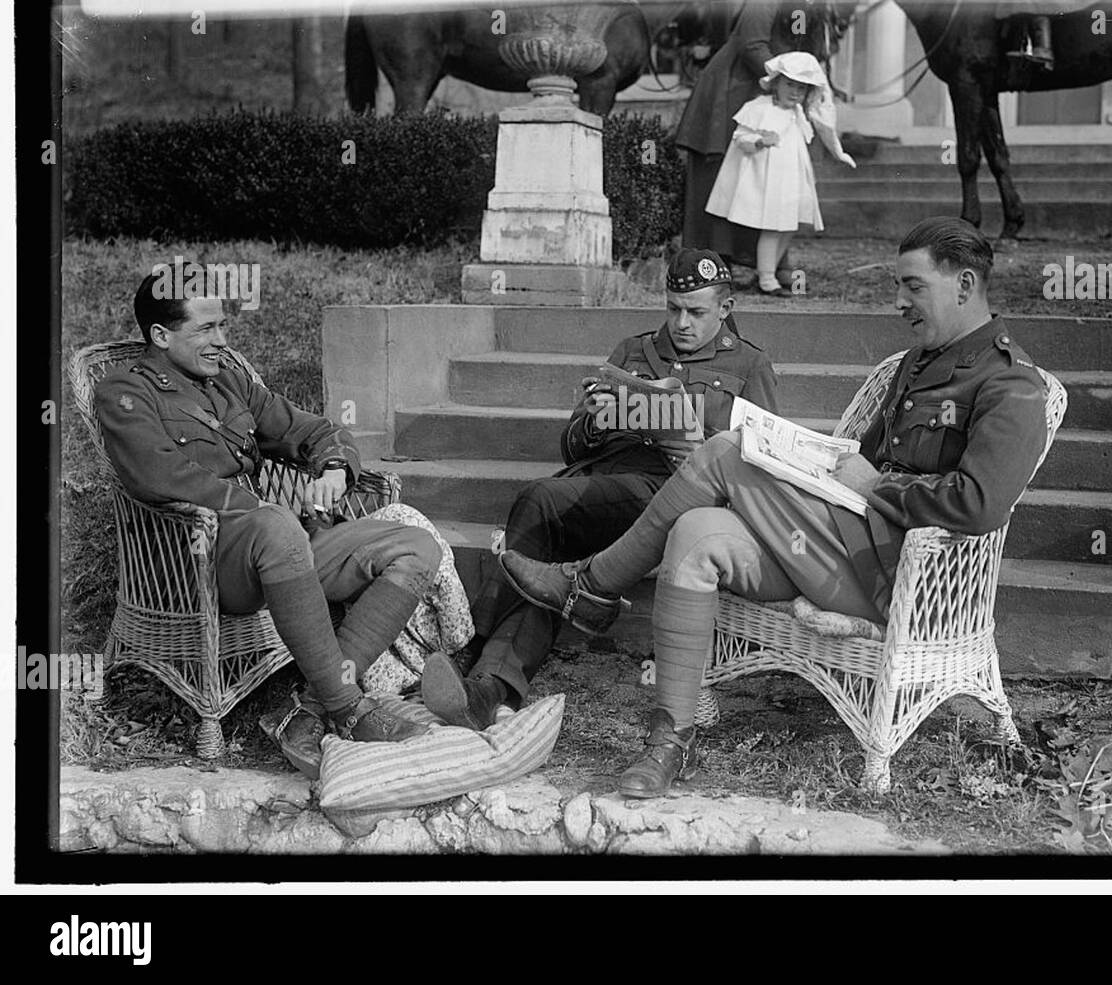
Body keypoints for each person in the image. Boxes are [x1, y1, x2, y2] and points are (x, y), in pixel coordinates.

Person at [498, 217, 1049, 798]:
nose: (898, 301)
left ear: (964, 286)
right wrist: (809, 463)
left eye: (914, 287)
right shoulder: (919, 363)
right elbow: (855, 463)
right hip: (837, 547)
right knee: (697, 531)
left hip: (900, 579)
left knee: (725, 452)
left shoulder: (1011, 385)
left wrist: (875, 487)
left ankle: (591, 585)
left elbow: (980, 506)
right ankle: (668, 743)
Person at [95, 269, 442, 779]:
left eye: (223, 326)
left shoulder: (230, 382)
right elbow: (159, 475)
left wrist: (334, 468)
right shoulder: (124, 393)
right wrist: (261, 513)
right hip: (200, 562)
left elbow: (316, 430)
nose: (222, 342)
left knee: (416, 546)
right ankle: (348, 708)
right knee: (277, 525)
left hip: (280, 548)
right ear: (161, 336)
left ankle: (309, 709)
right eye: (206, 329)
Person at [419, 250, 779, 731]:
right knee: (542, 556)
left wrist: (698, 445)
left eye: (696, 312)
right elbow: (571, 448)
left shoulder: (750, 365)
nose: (682, 323)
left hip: (673, 495)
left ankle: (472, 652)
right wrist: (594, 416)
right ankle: (489, 688)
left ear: (726, 308)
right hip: (604, 484)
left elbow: (765, 464)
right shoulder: (632, 351)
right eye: (673, 308)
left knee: (539, 501)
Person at [675, 0, 838, 278]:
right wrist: (789, 77)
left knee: (770, 178)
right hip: (734, 88)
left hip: (776, 90)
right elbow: (751, 44)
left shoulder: (813, 3)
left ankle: (770, 263)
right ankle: (714, 260)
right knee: (724, 174)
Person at [705, 52, 856, 294]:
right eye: (789, 84)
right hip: (766, 178)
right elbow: (741, 138)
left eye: (801, 88)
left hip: (791, 176)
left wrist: (839, 153)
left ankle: (768, 272)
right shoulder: (757, 107)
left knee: (787, 226)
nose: (795, 92)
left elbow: (821, 126)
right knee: (773, 226)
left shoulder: (798, 113)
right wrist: (759, 141)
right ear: (775, 82)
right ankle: (767, 280)